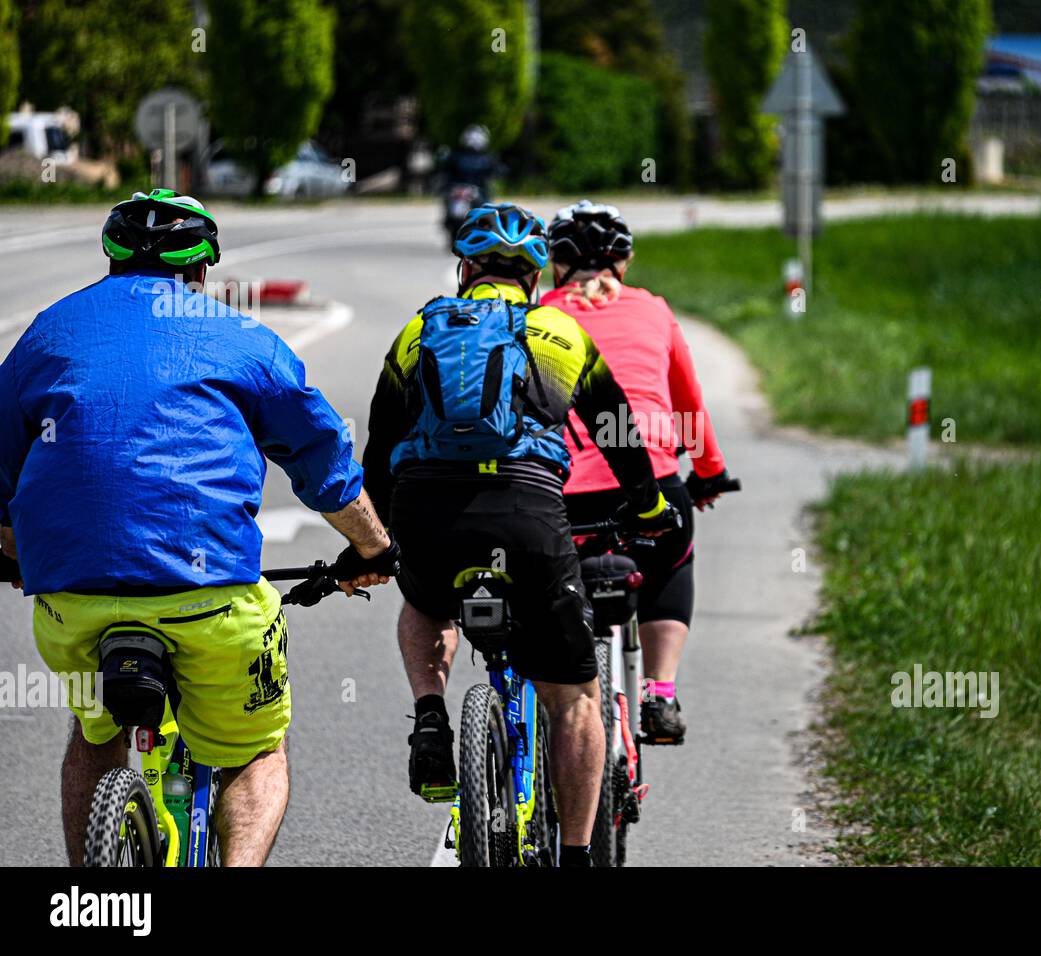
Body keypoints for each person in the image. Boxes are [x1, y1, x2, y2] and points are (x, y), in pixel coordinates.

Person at [0, 189, 399, 866]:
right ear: (204, 269)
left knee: (94, 737)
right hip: (209, 600)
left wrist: (17, 555)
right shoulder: (242, 339)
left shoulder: (48, 333)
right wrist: (374, 547)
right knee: (257, 753)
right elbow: (324, 462)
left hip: (74, 603)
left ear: (110, 256)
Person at [361, 201, 677, 867]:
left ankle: (429, 714)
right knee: (576, 701)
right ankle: (576, 855)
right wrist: (648, 509)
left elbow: (381, 447)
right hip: (527, 513)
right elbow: (618, 433)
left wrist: (377, 539)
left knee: (424, 601)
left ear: (466, 269)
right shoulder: (559, 335)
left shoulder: (418, 332)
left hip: (428, 513)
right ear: (535, 275)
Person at [543, 200, 734, 744]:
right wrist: (710, 471)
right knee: (672, 557)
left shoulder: (540, 318)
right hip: (648, 485)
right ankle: (660, 693)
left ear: (557, 266)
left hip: (563, 494)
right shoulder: (653, 310)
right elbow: (688, 403)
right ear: (623, 264)